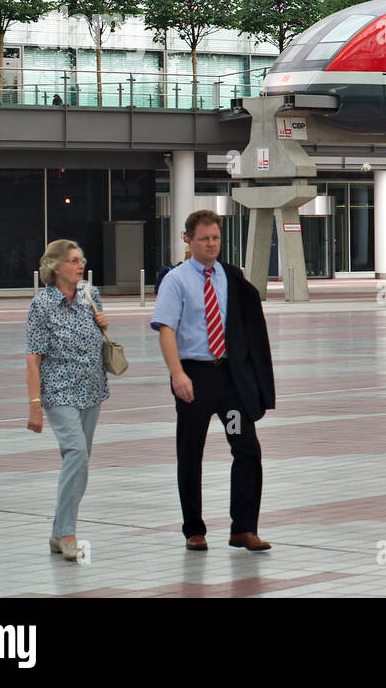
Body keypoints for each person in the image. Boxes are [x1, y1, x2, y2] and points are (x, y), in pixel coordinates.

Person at [151, 209, 275, 552]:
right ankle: (194, 529)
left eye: (216, 238)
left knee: (246, 448)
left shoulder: (231, 278)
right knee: (190, 454)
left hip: (229, 381)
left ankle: (243, 529)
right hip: (194, 377)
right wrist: (177, 373)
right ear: (188, 240)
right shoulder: (176, 281)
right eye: (204, 239)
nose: (211, 244)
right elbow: (166, 329)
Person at [25, 239, 109, 562]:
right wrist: (34, 404)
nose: (80, 265)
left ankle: (58, 531)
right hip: (59, 391)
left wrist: (103, 323)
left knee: (80, 461)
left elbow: (96, 338)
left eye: (81, 259)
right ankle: (68, 533)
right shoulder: (42, 305)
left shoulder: (90, 294)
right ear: (56, 267)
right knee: (76, 454)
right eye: (74, 260)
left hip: (91, 389)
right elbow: (33, 359)